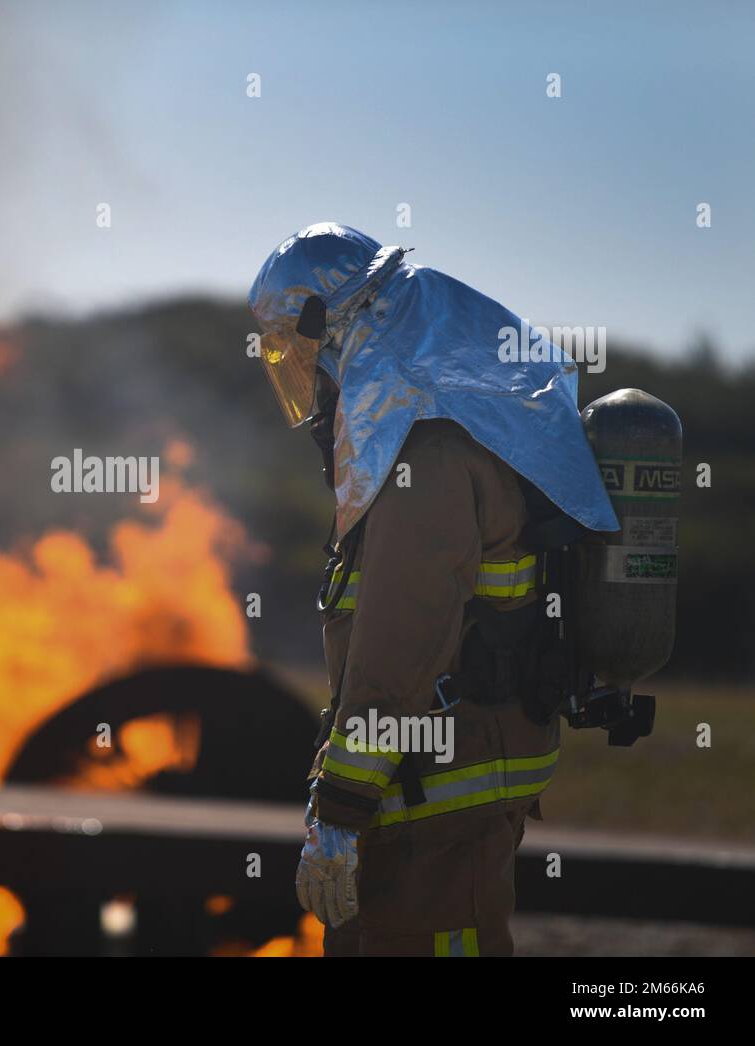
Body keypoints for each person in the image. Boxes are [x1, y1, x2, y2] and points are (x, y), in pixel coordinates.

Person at [248, 223, 618, 956]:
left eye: (304, 351)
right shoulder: (457, 424)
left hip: (439, 791)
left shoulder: (428, 452)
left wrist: (340, 813)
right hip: (437, 777)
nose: (313, 383)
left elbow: (399, 651)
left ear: (343, 329)